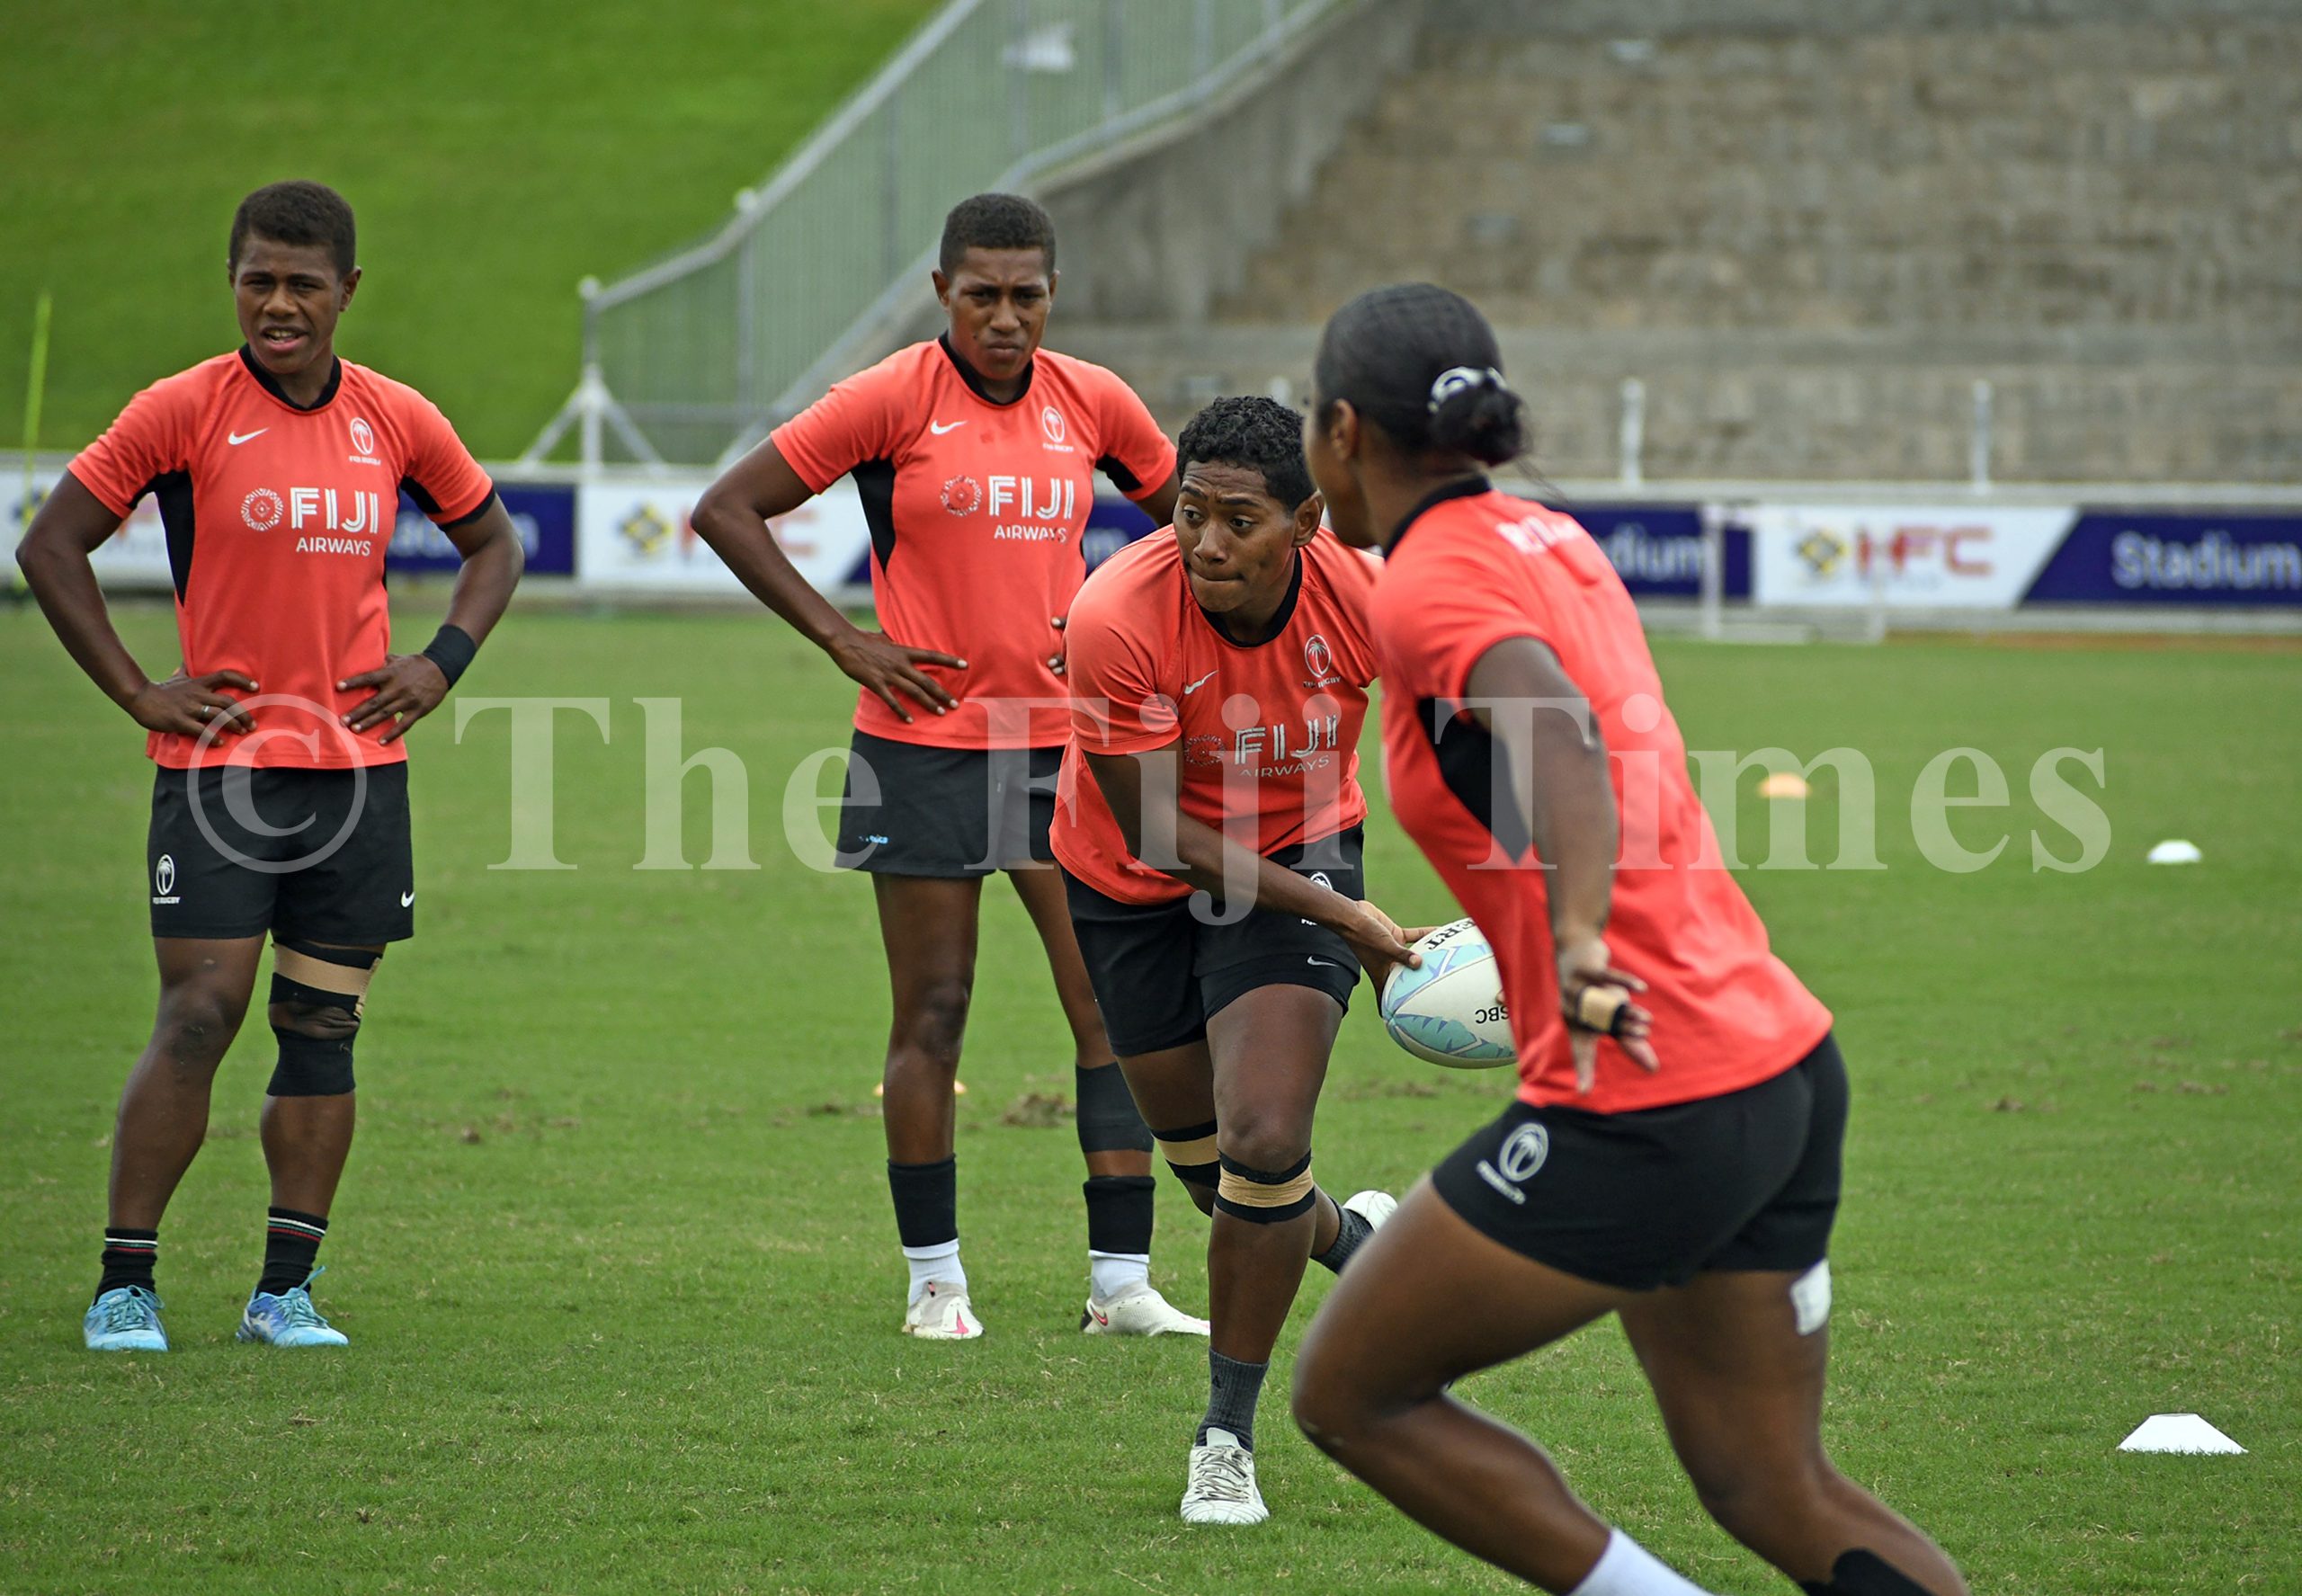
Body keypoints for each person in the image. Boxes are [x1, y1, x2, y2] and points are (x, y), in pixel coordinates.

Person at [1288, 284, 1971, 1596]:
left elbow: (1557, 731)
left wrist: (1581, 939)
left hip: (1649, 1084)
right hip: (1775, 1058)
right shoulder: (1547, 534)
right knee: (1773, 1484)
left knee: (1351, 1392)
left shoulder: (1430, 580)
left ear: (1342, 430)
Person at [16, 180, 525, 1354]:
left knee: (321, 1022)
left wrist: (441, 661)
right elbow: (51, 545)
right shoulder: (182, 408)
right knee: (201, 1012)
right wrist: (138, 689)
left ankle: (284, 1290)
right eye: (258, 280)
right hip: (222, 773)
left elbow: (493, 541)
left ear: (348, 290)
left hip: (357, 773)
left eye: (303, 283)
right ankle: (125, 1284)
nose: (278, 303)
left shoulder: (397, 416)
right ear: (233, 282)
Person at [691, 192, 1199, 1342]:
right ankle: (935, 1282)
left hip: (1069, 752)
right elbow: (727, 509)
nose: (1005, 317)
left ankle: (1120, 1283)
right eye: (982, 296)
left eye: (1027, 296)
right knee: (935, 1009)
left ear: (1053, 295)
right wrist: (846, 639)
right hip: (919, 748)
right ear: (941, 292)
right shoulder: (888, 397)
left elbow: (1192, 527)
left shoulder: (1095, 400)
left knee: (1108, 1007)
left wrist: (1131, 646)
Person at [1055, 395, 1421, 1525]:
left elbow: (1457, 734)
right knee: (1221, 1181)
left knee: (1264, 1139)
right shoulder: (1116, 613)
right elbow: (1157, 833)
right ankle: (1356, 1241)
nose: (1206, 542)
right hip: (1130, 883)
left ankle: (1225, 1437)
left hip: (1299, 849)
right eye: (1189, 512)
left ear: (1305, 521)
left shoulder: (1366, 595)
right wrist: (1352, 920)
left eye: (1239, 520)